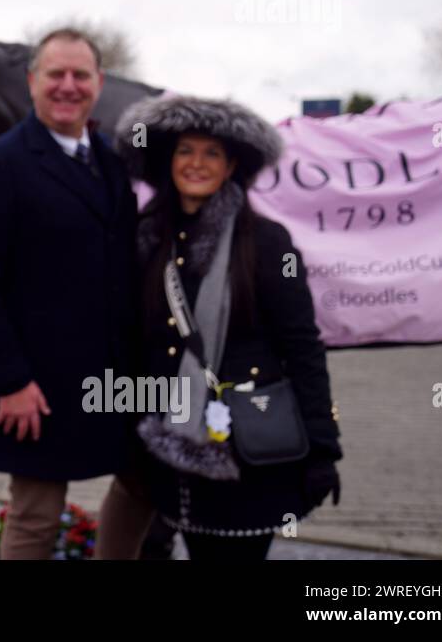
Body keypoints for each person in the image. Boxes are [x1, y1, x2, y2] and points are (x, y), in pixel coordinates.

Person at [110, 95, 343, 560]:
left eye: (211, 152)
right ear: (168, 161)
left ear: (232, 164)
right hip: (166, 447)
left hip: (247, 454)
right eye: (185, 151)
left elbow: (303, 347)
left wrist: (323, 448)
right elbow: (133, 343)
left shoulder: (268, 241)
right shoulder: (146, 239)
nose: (196, 163)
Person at [0, 29, 140, 559]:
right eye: (55, 73)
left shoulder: (111, 161)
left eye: (80, 75)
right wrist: (9, 378)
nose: (68, 85)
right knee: (34, 517)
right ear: (32, 82)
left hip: (116, 378)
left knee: (146, 485)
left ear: (99, 84)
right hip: (36, 383)